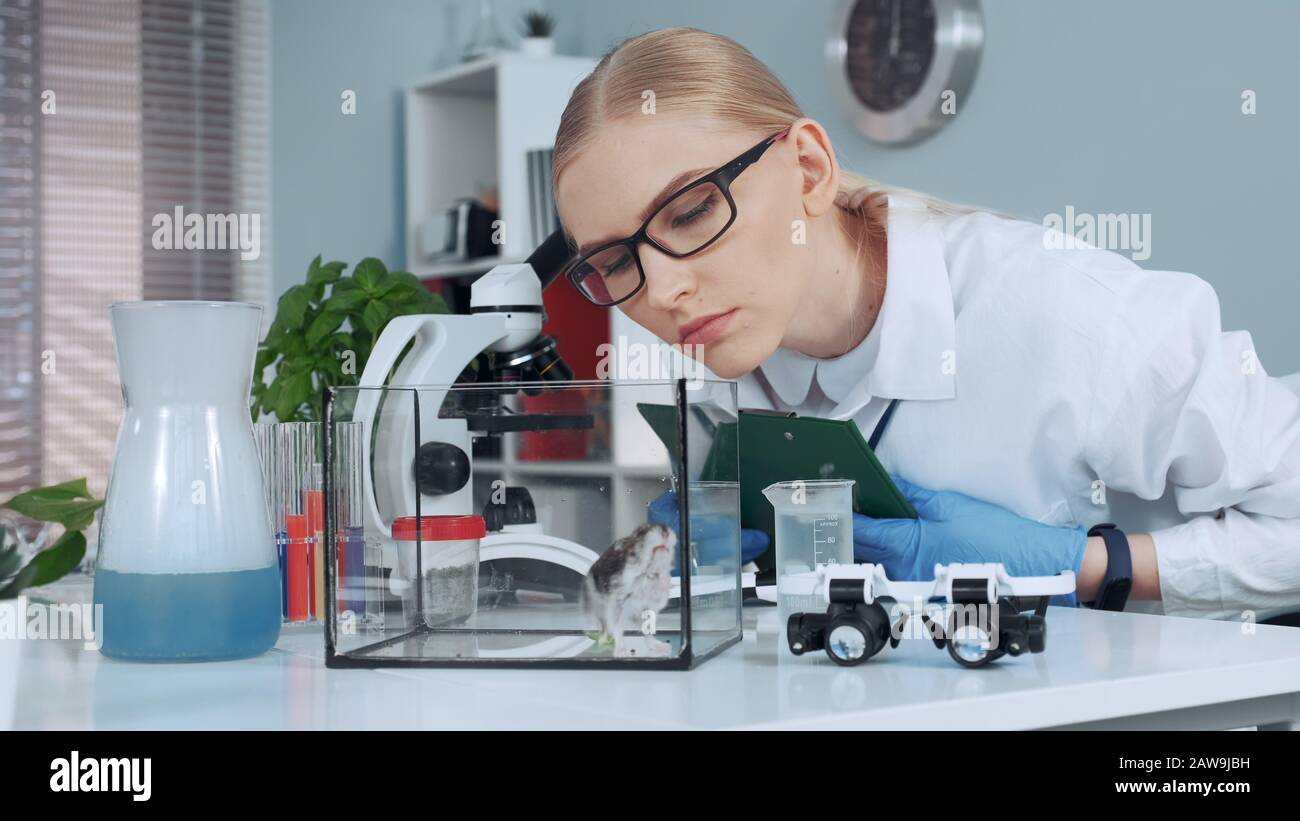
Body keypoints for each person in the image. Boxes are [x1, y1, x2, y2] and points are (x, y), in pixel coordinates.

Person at [550, 28, 1300, 620]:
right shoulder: (733, 366)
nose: (665, 289)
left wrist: (1089, 564)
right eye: (615, 263)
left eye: (690, 211)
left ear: (808, 169)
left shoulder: (1067, 312)